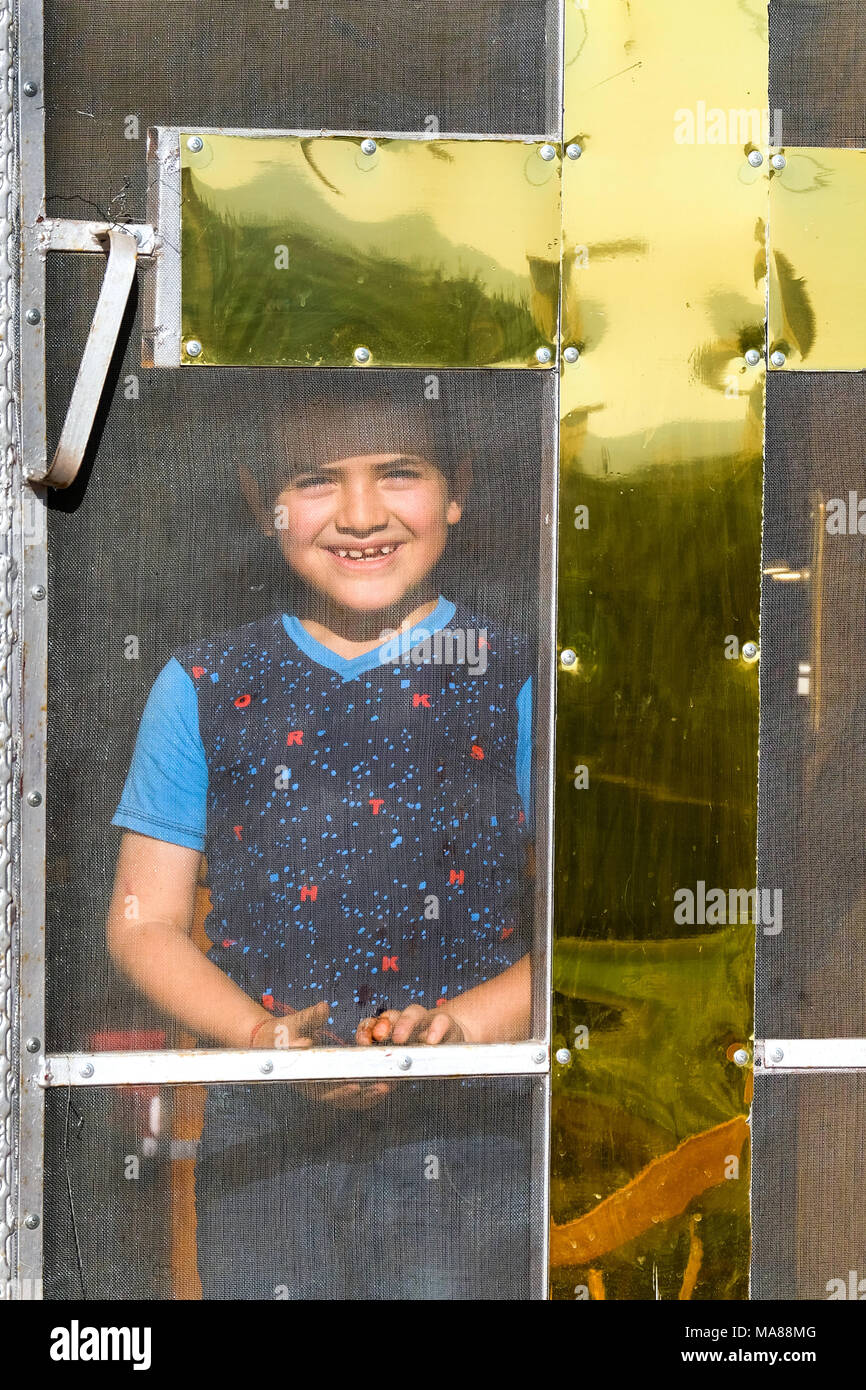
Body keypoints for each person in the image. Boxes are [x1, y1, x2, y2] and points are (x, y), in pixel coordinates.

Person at [107, 377, 536, 1299]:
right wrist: (262, 1038)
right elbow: (144, 923)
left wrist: (459, 1030)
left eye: (399, 472)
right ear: (262, 501)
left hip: (476, 1145)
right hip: (268, 1154)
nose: (360, 513)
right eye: (314, 479)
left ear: (457, 487)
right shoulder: (200, 683)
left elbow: (590, 935)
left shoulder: (522, 676)